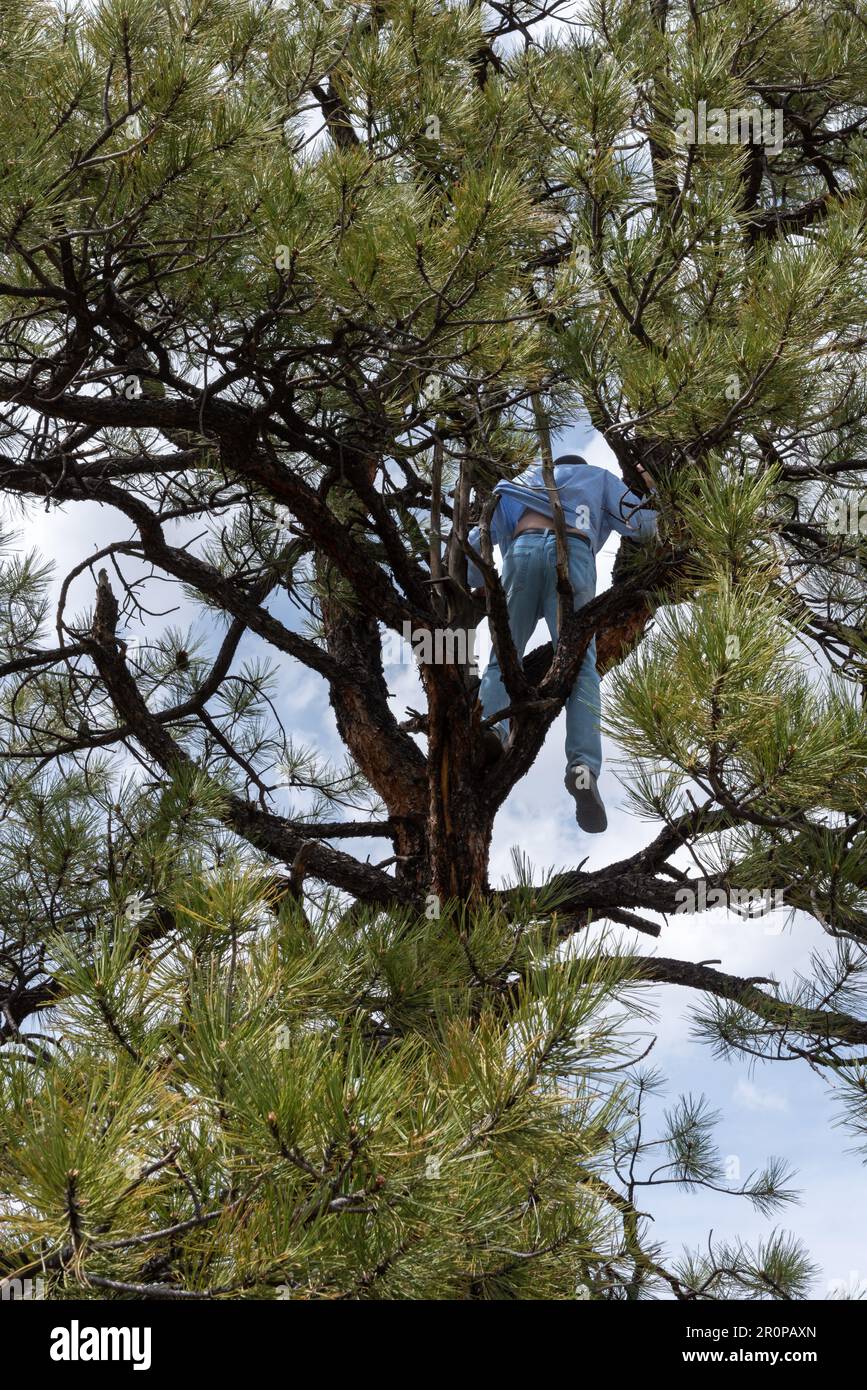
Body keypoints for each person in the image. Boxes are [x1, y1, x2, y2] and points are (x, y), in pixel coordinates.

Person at [466, 453, 657, 832]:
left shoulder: (522, 477)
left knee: (503, 657)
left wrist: (468, 576)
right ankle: (583, 767)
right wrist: (656, 497)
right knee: (581, 667)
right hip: (572, 555)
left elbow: (476, 545)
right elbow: (644, 527)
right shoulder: (596, 477)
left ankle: (491, 730)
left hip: (521, 554)